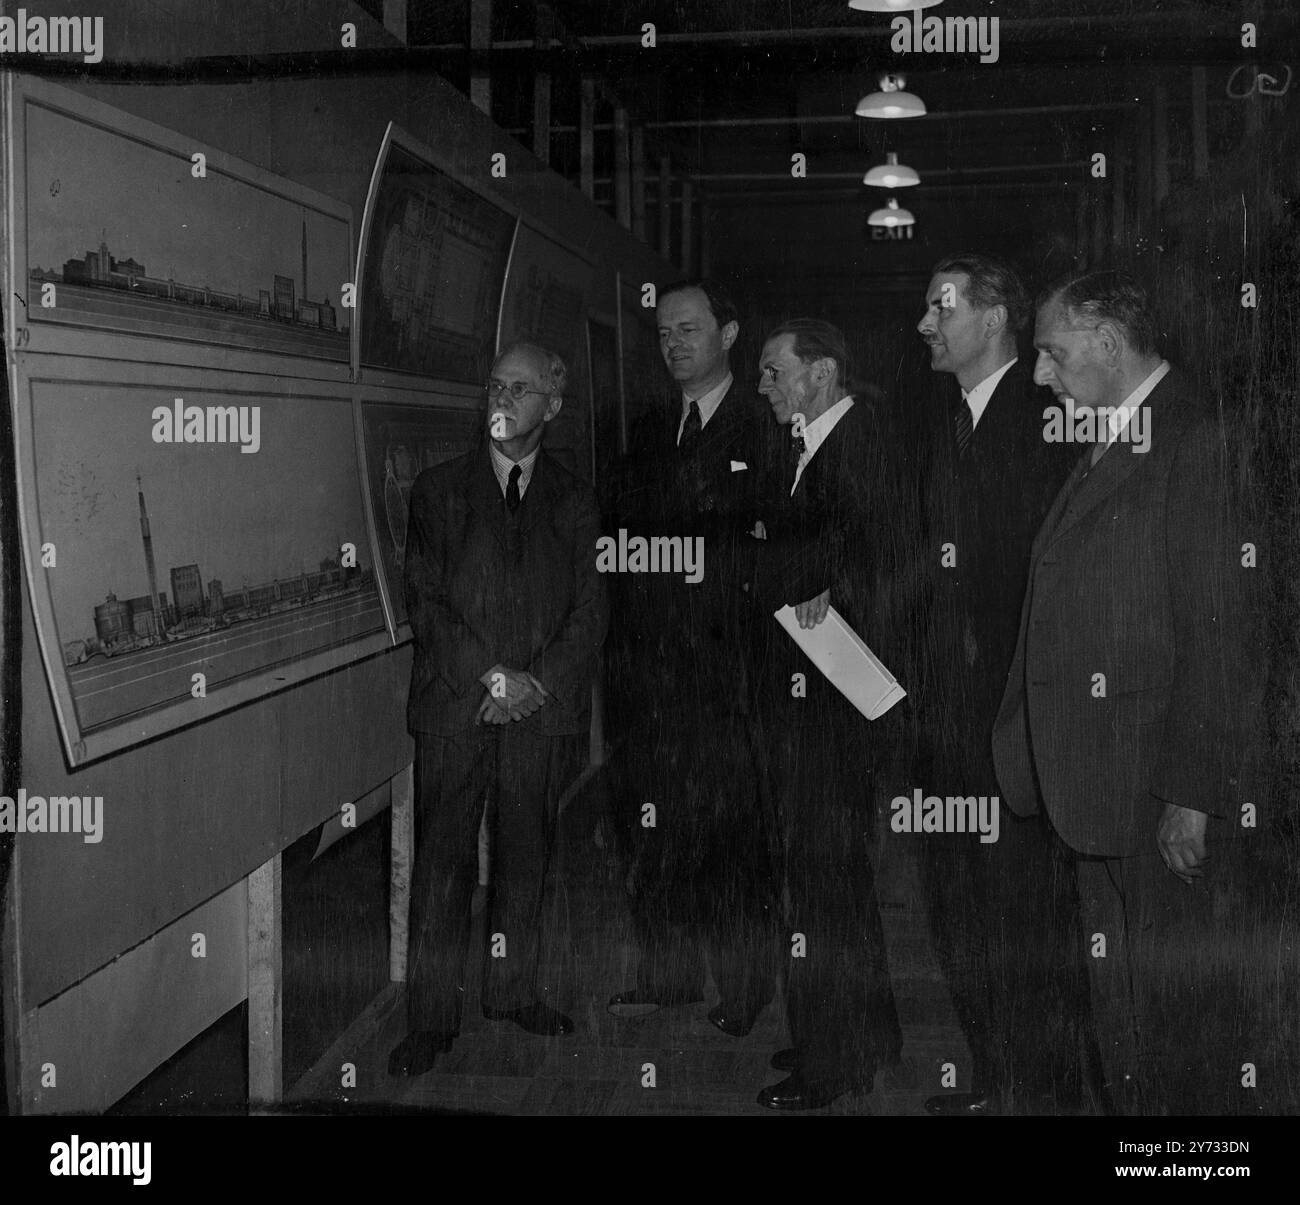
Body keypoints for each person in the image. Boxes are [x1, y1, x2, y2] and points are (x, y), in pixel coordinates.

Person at [992, 270, 1263, 1115]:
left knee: (1178, 1031)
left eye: (1050, 352)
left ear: (1110, 343)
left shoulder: (1195, 439)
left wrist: (1192, 791)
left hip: (1156, 792)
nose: (1039, 375)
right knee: (1125, 1018)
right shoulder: (1115, 435)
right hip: (1100, 784)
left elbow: (1227, 630)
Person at [390, 341, 607, 1077]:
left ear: (553, 404)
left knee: (527, 856)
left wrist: (533, 682)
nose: (503, 399)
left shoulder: (576, 500)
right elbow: (426, 600)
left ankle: (513, 992)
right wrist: (491, 678)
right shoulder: (437, 490)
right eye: (494, 386)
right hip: (459, 705)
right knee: (441, 867)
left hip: (538, 711)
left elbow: (590, 610)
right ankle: (430, 1019)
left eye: (520, 388)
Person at [913, 254, 1088, 1114]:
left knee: (1021, 921)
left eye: (940, 306)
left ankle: (1040, 1087)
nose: (923, 323)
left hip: (1013, 725)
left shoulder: (1043, 418)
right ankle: (1000, 1076)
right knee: (960, 909)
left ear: (995, 319)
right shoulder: (951, 421)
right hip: (950, 721)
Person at [604, 279, 779, 1036]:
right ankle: (669, 975)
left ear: (730, 333)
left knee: (733, 843)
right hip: (647, 677)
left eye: (689, 328)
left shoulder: (764, 426)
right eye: (664, 333)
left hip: (728, 680)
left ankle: (744, 990)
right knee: (654, 832)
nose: (674, 344)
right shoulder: (645, 432)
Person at [749, 318, 907, 1110]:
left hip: (836, 711)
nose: (766, 386)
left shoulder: (860, 447)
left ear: (824, 371)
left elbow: (892, 564)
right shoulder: (813, 447)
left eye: (777, 371)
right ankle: (863, 1034)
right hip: (817, 704)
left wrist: (834, 584)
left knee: (819, 888)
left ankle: (831, 1063)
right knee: (833, 884)